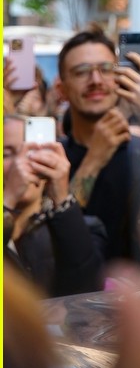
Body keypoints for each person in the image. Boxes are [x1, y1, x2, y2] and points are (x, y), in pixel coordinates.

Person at [56, 31, 140, 263]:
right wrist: (93, 159)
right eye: (81, 72)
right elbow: (55, 234)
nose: (96, 80)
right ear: (62, 89)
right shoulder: (52, 157)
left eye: (106, 68)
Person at [4, 114, 105, 297]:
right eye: (6, 154)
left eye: (30, 152)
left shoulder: (83, 227)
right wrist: (7, 199)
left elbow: (88, 291)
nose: (20, 163)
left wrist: (61, 195)